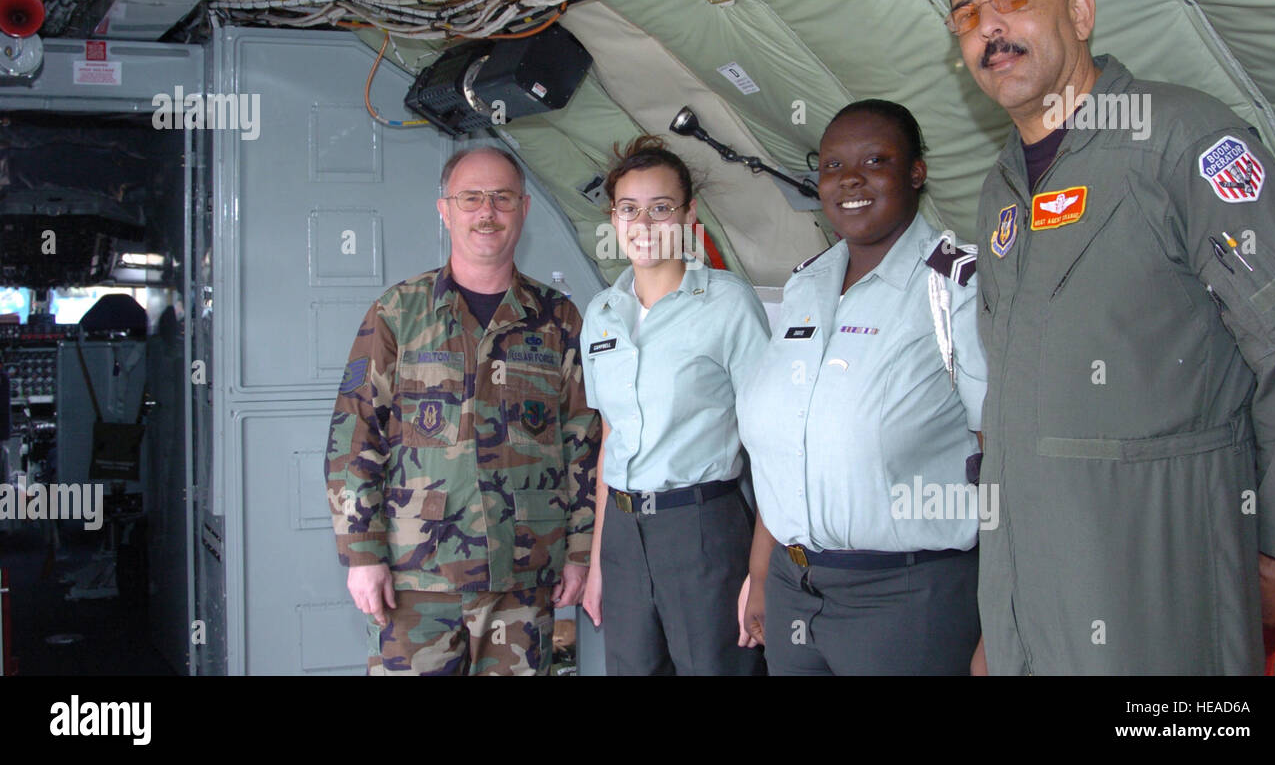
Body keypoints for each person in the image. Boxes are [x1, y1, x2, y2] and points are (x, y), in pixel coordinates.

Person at [948, 0, 1275, 674]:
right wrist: (1000, 614)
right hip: (1035, 587)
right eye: (966, 14)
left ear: (1080, 10)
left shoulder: (1180, 138)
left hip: (1163, 573)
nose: (989, 28)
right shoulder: (1001, 189)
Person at [325, 145, 598, 675]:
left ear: (523, 208)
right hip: (417, 579)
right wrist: (362, 553)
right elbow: (355, 437)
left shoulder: (557, 318)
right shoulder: (398, 313)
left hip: (523, 576)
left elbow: (583, 443)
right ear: (445, 210)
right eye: (470, 198)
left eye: (501, 198)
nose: (486, 212)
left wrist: (581, 552)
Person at [736, 101, 986, 675]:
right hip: (794, 588)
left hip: (906, 596)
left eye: (876, 160)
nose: (850, 179)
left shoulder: (957, 287)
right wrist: (760, 575)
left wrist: (1003, 615)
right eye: (831, 166)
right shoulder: (806, 284)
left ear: (915, 173)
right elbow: (786, 444)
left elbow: (1005, 460)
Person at [579, 135, 769, 675]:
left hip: (703, 528)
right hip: (622, 534)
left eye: (661, 208)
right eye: (629, 209)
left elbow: (769, 440)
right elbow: (611, 439)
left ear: (688, 215)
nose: (644, 225)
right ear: (613, 219)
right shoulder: (602, 314)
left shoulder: (728, 303)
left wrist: (762, 566)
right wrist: (597, 563)